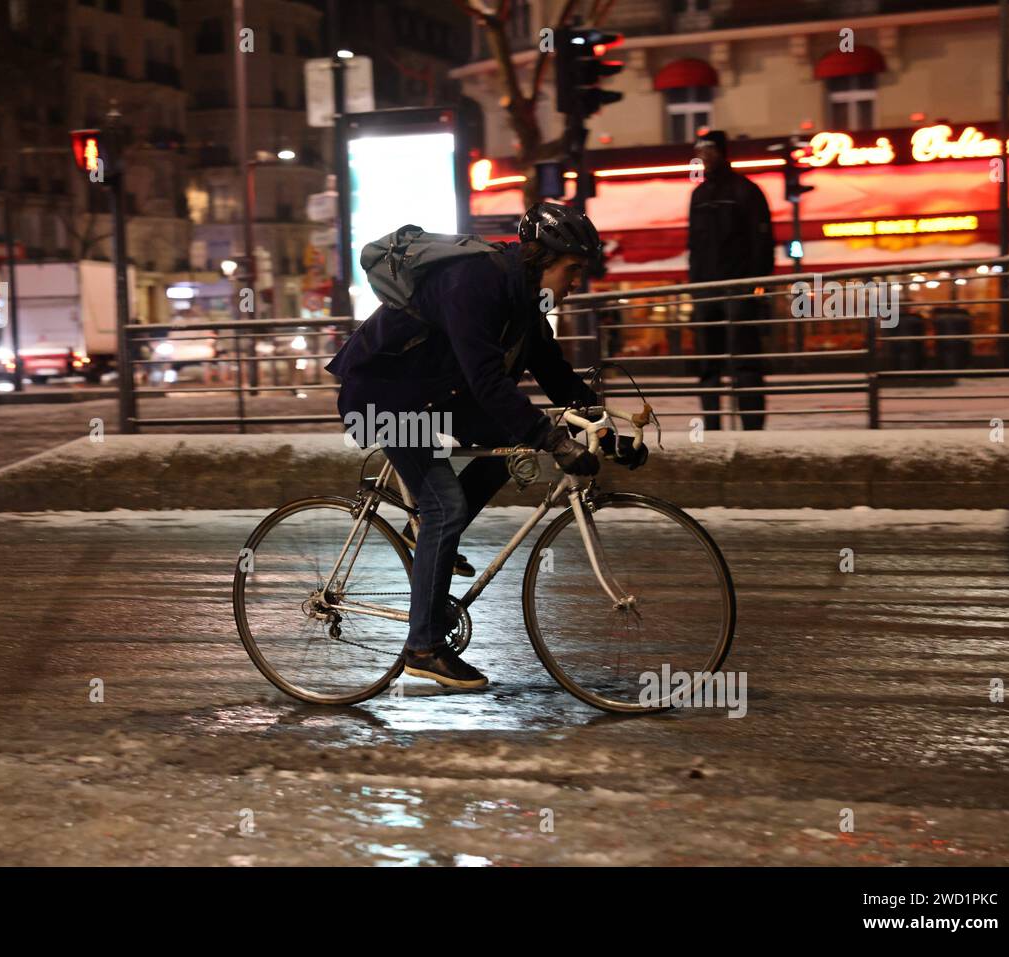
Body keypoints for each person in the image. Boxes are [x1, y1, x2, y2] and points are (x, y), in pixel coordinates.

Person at [325, 203, 645, 690]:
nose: (578, 282)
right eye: (573, 270)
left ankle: (423, 536)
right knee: (445, 506)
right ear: (542, 260)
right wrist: (554, 439)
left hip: (435, 394)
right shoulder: (474, 283)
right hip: (384, 397)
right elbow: (488, 380)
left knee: (513, 442)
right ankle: (424, 648)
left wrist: (604, 428)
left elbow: (552, 370)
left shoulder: (524, 296)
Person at [687, 130, 773, 430]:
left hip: (738, 287)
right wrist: (695, 290)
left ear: (722, 153)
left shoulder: (745, 190)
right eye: (700, 149)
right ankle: (713, 427)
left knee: (744, 362)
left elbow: (762, 244)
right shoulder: (700, 194)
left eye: (708, 149)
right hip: (708, 290)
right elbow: (694, 247)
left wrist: (757, 287)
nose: (703, 155)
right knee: (710, 363)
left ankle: (751, 427)